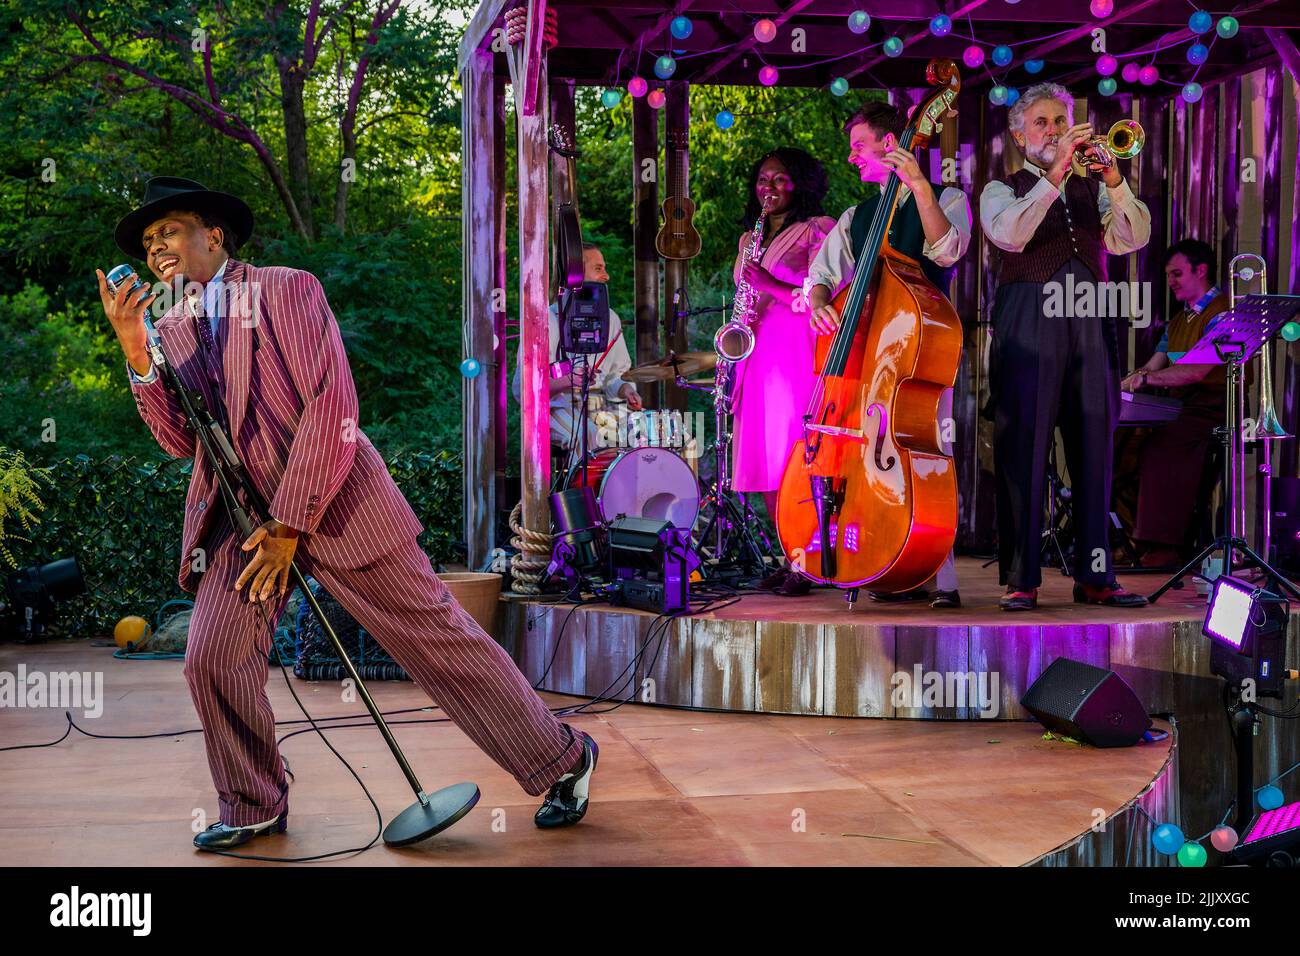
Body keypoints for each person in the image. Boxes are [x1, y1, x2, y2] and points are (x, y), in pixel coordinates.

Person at [97, 176, 598, 851]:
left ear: (213, 236)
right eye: (149, 239)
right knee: (211, 655)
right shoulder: (173, 328)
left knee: (439, 645)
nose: (158, 246)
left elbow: (331, 404)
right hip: (240, 525)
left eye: (170, 231)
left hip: (335, 503)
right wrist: (135, 347)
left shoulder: (284, 288)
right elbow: (181, 441)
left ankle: (564, 759)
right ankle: (252, 802)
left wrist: (293, 524)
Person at [979, 83, 1151, 611]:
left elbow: (1133, 237)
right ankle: (1022, 580)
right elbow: (1011, 236)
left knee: (1095, 446)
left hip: (1088, 315)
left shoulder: (1094, 187)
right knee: (1023, 446)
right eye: (1042, 122)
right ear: (1018, 134)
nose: (1054, 131)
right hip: (1028, 317)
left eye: (1061, 120)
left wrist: (1114, 179)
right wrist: (1055, 176)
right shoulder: (998, 190)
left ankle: (1096, 576)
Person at [806, 100, 972, 609]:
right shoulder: (858, 216)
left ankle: (939, 576)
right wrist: (817, 303)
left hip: (921, 355)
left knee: (928, 459)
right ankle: (883, 559)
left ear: (890, 143)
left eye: (859, 147)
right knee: (874, 457)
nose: (852, 158)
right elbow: (820, 274)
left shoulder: (949, 197)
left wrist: (920, 187)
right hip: (871, 358)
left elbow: (948, 250)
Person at [727, 148, 836, 597]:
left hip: (794, 353)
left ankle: (814, 557)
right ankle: (790, 555)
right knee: (768, 460)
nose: (768, 187)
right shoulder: (748, 240)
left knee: (796, 457)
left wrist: (769, 285)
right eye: (762, 178)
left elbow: (826, 294)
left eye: (780, 179)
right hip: (757, 354)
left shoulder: (819, 230)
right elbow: (746, 295)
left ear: (801, 183)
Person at [1118, 238, 1229, 566]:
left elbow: (1196, 371)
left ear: (1202, 271)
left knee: (1161, 445)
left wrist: (1147, 380)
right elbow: (1154, 364)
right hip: (1183, 406)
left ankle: (1164, 546)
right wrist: (1119, 386)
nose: (1171, 282)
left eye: (1177, 274)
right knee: (1125, 442)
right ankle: (1132, 539)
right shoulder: (1181, 319)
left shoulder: (1220, 313)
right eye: (1168, 275)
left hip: (1212, 407)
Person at [511, 242, 641, 473]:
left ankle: (627, 503)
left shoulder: (610, 319)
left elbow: (615, 377)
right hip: (555, 407)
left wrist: (626, 390)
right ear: (576, 274)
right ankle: (582, 505)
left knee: (641, 433)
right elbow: (522, 389)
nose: (606, 276)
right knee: (589, 435)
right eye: (599, 269)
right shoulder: (544, 320)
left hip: (600, 405)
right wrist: (568, 381)